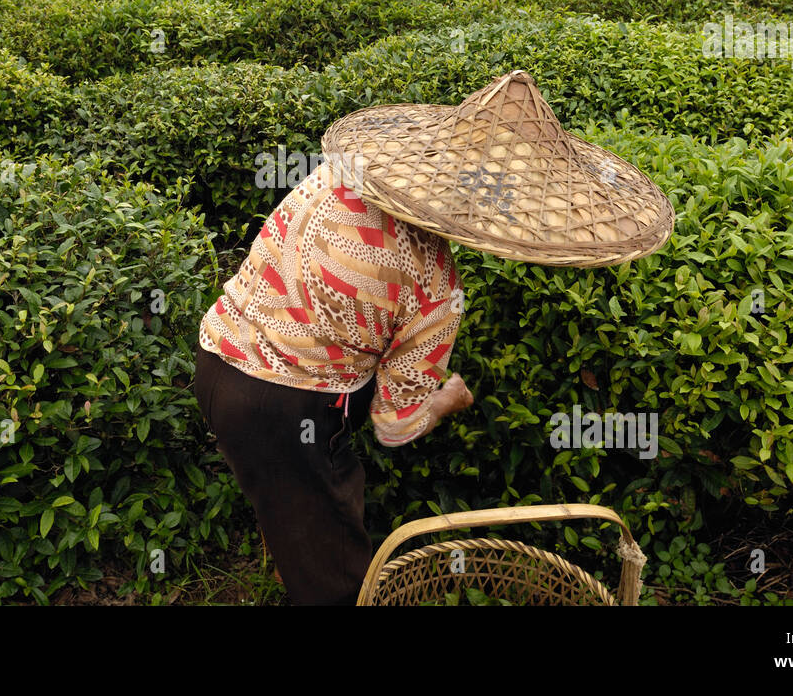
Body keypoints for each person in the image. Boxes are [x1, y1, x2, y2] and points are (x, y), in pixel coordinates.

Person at [193, 70, 676, 605]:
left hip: (216, 356)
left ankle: (290, 562)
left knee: (280, 503)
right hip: (286, 413)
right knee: (337, 576)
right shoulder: (435, 291)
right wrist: (448, 398)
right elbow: (394, 425)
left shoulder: (337, 177)